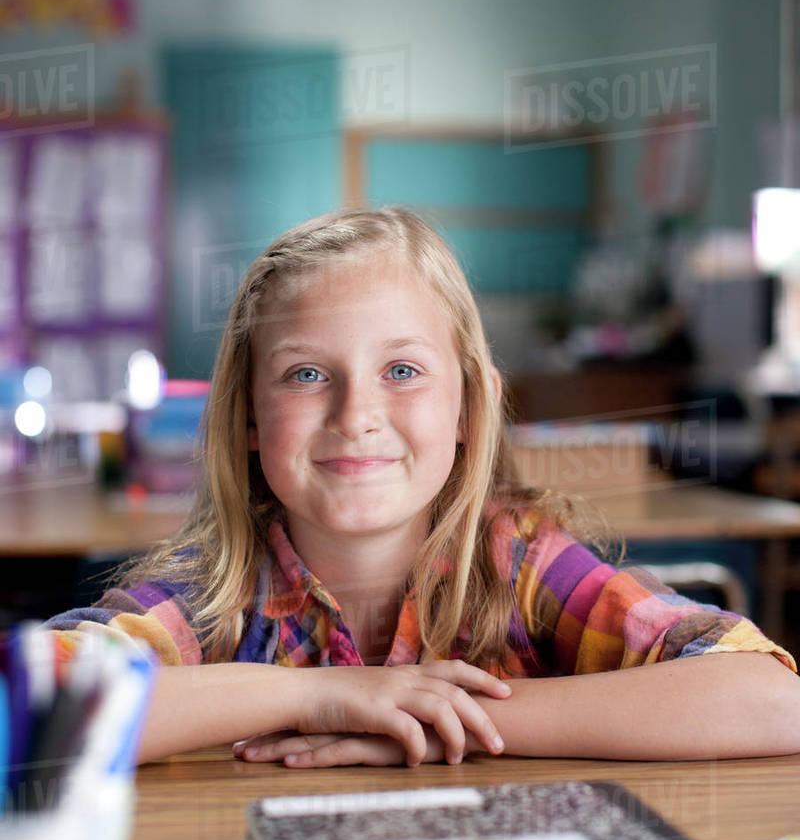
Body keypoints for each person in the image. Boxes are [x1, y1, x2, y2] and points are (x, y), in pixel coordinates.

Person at [44, 208, 800, 768]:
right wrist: (325, 698)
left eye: (401, 372)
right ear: (245, 415)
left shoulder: (520, 564)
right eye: (307, 374)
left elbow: (772, 699)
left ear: (470, 407)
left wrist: (441, 713)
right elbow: (28, 711)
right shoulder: (214, 593)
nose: (358, 416)